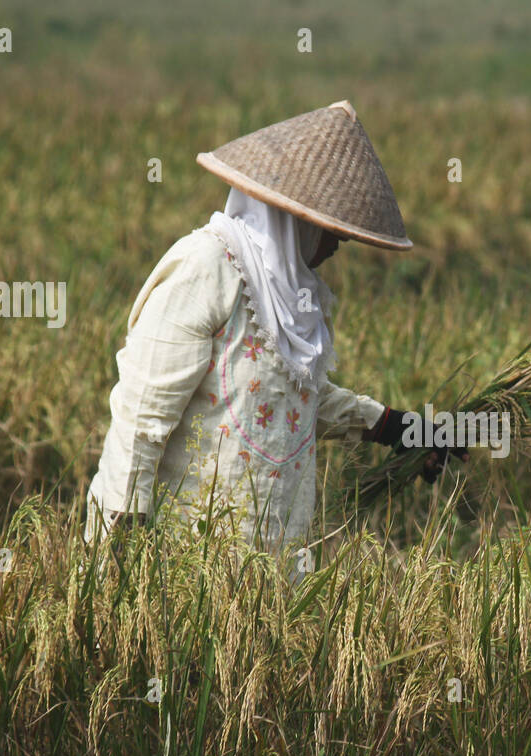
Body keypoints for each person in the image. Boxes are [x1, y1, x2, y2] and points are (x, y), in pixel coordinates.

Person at [85, 100, 465, 554]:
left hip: (271, 573)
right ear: (295, 221)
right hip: (183, 568)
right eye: (332, 231)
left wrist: (398, 428)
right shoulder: (206, 269)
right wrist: (118, 551)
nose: (339, 245)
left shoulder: (289, 294)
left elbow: (285, 397)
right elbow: (142, 418)